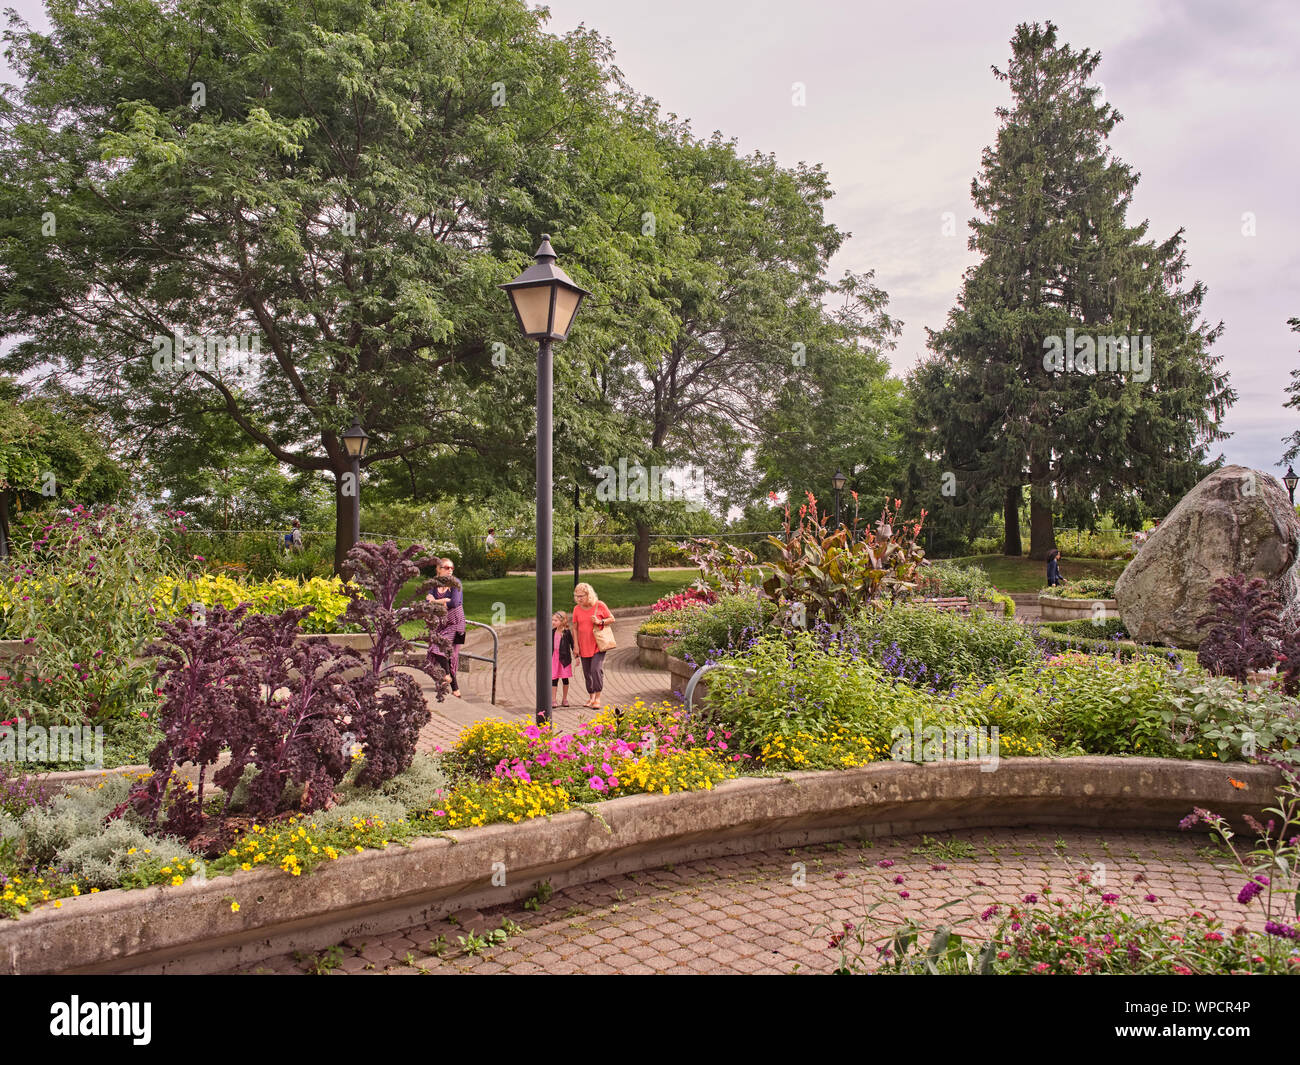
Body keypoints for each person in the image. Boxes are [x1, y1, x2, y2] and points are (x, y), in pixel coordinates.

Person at [426, 557, 466, 697]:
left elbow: (454, 603)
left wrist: (436, 601)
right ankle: (455, 689)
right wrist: (443, 601)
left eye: (452, 568)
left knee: (449, 653)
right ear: (439, 569)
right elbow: (427, 600)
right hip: (442, 624)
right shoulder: (434, 583)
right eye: (447, 568)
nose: (450, 570)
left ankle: (447, 677)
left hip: (458, 625)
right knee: (445, 655)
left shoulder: (456, 583)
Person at [570, 582, 614, 709]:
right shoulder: (576, 609)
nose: (578, 598)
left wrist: (600, 621)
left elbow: (612, 618)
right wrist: (576, 646)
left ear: (588, 595)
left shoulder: (599, 605)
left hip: (598, 645)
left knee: (595, 669)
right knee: (587, 673)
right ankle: (591, 697)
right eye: (576, 596)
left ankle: (598, 698)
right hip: (583, 646)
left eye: (581, 596)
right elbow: (575, 629)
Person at [552, 610, 574, 707]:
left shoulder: (567, 633)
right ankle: (553, 700)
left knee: (565, 679)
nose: (553, 622)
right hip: (554, 659)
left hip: (565, 659)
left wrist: (576, 657)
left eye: (555, 620)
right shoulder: (552, 632)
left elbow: (572, 645)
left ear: (562, 621)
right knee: (554, 679)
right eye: (552, 620)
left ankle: (564, 699)